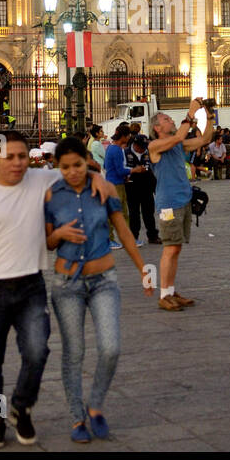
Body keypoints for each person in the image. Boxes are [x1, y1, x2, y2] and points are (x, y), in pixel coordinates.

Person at [0, 130, 115, 448]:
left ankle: (21, 406)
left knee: (37, 352)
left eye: (22, 156)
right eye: (10, 157)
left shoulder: (40, 180)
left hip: (30, 285)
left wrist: (97, 176)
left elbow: (78, 169)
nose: (17, 163)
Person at [45, 136, 153, 442]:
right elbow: (48, 242)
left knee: (110, 347)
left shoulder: (103, 189)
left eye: (78, 165)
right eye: (66, 167)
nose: (72, 172)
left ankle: (95, 405)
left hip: (104, 280)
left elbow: (123, 231)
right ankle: (77, 418)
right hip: (67, 284)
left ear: (87, 162)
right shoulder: (52, 195)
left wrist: (143, 268)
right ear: (58, 167)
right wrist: (60, 234)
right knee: (74, 352)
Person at [149, 99, 214, 311]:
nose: (171, 120)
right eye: (166, 119)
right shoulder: (154, 146)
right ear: (157, 128)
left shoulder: (178, 144)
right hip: (168, 205)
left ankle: (170, 291)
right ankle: (164, 296)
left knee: (175, 248)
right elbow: (178, 136)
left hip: (182, 202)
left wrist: (209, 116)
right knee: (169, 248)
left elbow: (205, 139)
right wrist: (191, 112)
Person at [122, 133, 159, 245]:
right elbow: (122, 168)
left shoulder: (148, 152)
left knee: (149, 212)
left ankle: (152, 236)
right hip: (132, 186)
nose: (143, 149)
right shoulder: (125, 152)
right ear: (135, 144)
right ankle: (134, 237)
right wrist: (134, 170)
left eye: (145, 146)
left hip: (146, 185)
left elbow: (154, 168)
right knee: (134, 213)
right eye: (141, 146)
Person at [102, 125, 132, 249]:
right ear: (124, 136)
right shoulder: (118, 150)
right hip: (117, 184)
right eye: (128, 135)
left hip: (110, 182)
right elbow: (120, 170)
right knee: (121, 213)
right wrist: (133, 170)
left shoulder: (110, 147)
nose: (129, 137)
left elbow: (105, 165)